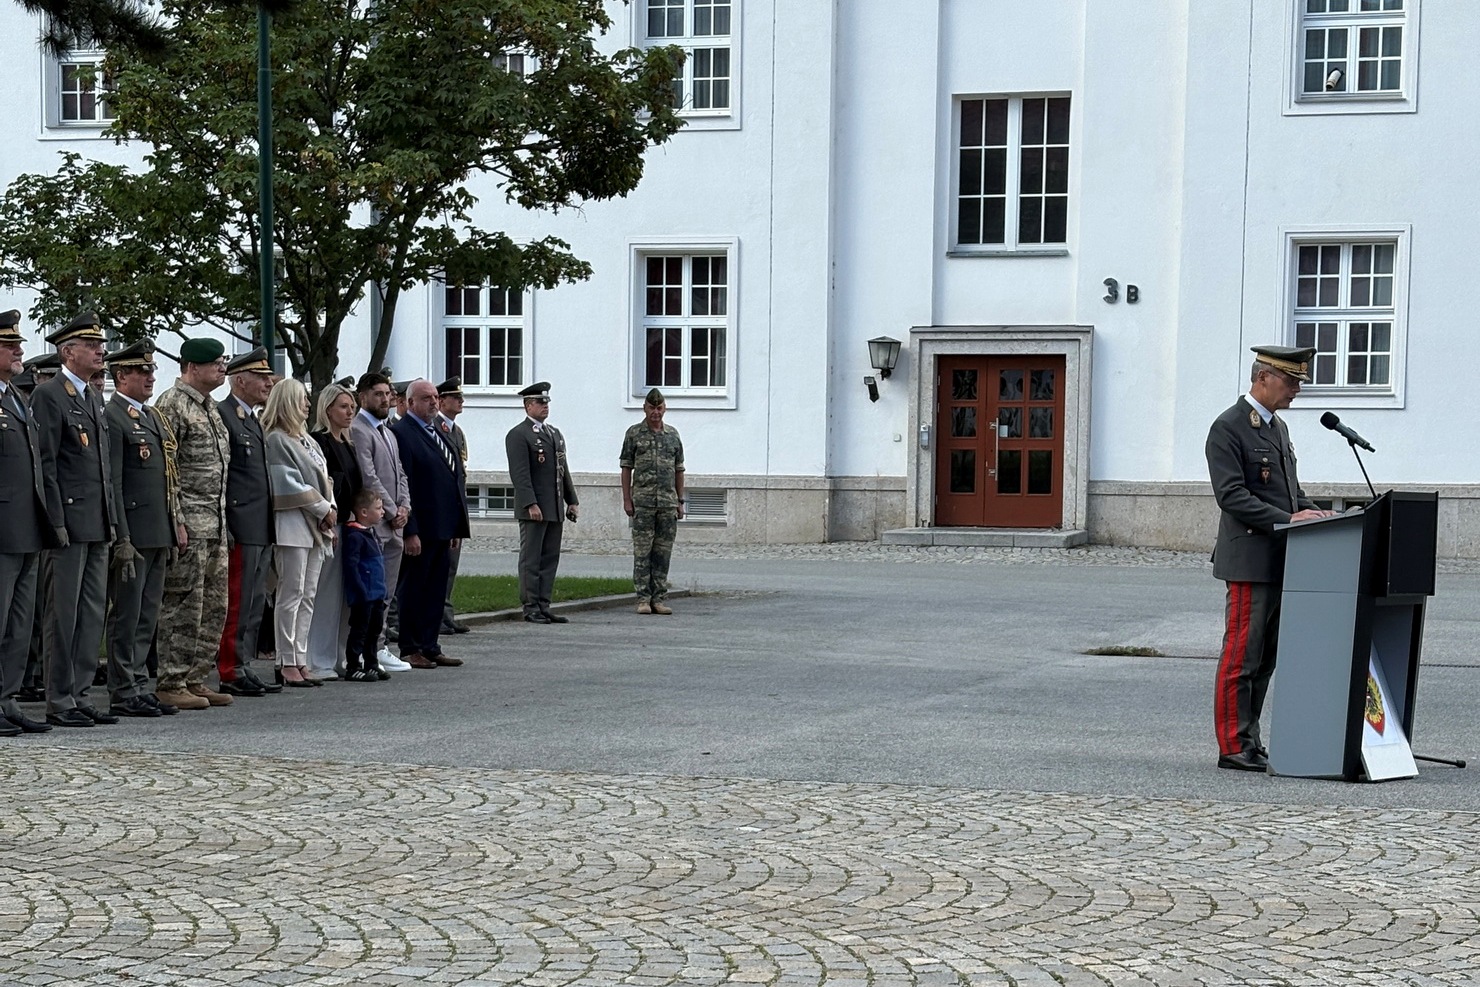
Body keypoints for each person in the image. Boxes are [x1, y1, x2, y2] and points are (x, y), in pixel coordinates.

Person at [1205, 344, 1333, 772]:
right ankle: (1232, 745)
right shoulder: (1229, 427)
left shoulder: (1275, 428)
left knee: (1265, 657)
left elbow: (1288, 492)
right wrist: (1289, 517)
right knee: (1242, 654)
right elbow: (1232, 496)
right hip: (1250, 559)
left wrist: (1316, 512)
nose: (1296, 390)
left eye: (1298, 382)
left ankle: (1251, 738)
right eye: (1291, 381)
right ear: (1263, 378)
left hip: (1282, 558)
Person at [31, 312, 118, 728]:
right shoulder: (50, 394)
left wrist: (112, 520)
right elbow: (45, 464)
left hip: (96, 521)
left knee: (91, 613)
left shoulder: (92, 397)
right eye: (91, 345)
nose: (101, 350)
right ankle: (59, 697)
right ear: (68, 351)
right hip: (68, 521)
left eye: (100, 344)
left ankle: (81, 692)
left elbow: (101, 467)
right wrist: (55, 521)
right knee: (62, 614)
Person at [154, 337, 233, 711]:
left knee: (213, 606)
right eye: (215, 362)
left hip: (215, 523)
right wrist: (176, 521)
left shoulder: (210, 407)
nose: (223, 368)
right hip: (189, 523)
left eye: (223, 361)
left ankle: (195, 678)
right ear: (192, 367)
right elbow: (166, 471)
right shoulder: (173, 405)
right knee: (183, 604)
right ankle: (171, 680)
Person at [102, 340, 180, 718]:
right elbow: (114, 482)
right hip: (133, 530)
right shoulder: (113, 416)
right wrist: (122, 536)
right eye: (142, 371)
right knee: (127, 613)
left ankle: (136, 682)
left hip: (158, 528)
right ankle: (122, 687)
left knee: (147, 612)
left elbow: (166, 477)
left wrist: (174, 522)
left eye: (151, 370)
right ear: (121, 376)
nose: (150, 377)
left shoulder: (149, 416)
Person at [0, 309, 54, 736]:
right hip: (2, 529)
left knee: (19, 623)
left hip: (27, 527)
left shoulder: (15, 397)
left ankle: (8, 698)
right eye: (10, 345)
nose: (20, 350)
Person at [262, 378, 336, 687]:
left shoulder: (308, 439)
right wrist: (322, 508)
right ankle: (286, 659)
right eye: (302, 399)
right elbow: (287, 482)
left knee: (308, 595)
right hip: (292, 524)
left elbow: (325, 478)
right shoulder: (277, 440)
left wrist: (329, 507)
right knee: (290, 594)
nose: (307, 404)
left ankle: (301, 657)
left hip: (316, 526)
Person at [215, 347, 280, 698]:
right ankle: (229, 667)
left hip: (259, 522)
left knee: (254, 602)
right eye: (261, 377)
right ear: (240, 379)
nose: (268, 383)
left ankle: (243, 664)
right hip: (241, 522)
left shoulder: (251, 418)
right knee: (238, 602)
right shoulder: (225, 415)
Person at [391, 379, 469, 667]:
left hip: (443, 526)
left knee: (436, 588)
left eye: (436, 397)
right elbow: (405, 485)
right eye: (426, 398)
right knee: (414, 588)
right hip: (420, 528)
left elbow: (452, 478)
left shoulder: (439, 431)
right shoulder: (402, 433)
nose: (434, 402)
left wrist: (456, 526)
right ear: (410, 403)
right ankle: (410, 646)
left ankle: (430, 644)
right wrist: (410, 531)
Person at [349, 372, 412, 671]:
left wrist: (405, 507)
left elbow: (400, 474)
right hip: (375, 522)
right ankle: (364, 649)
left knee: (386, 591)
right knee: (371, 593)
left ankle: (380, 645)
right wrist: (389, 509)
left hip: (394, 523)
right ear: (363, 396)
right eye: (378, 394)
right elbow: (368, 475)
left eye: (388, 394)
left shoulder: (388, 431)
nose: (385, 399)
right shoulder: (359, 429)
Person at [506, 382, 579, 624]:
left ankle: (544, 604)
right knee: (531, 558)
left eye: (546, 402)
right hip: (535, 507)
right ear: (528, 405)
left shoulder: (554, 433)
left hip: (554, 505)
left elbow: (562, 469)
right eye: (539, 402)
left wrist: (571, 499)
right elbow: (520, 474)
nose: (545, 406)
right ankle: (530, 606)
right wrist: (530, 503)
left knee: (549, 557)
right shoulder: (519, 434)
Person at [308, 382, 363, 679]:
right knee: (325, 594)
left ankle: (340, 655)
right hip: (331, 523)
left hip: (351, 523)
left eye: (352, 407)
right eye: (344, 406)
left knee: (345, 596)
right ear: (328, 409)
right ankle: (319, 658)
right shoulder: (321, 442)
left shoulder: (349, 443)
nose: (350, 412)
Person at [15, 352, 59, 704]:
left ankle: (15, 690)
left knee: (24, 614)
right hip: (13, 524)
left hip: (31, 521)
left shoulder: (18, 403)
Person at [620, 388, 686, 615]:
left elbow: (679, 470)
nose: (655, 413)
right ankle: (642, 599)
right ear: (645, 408)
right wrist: (627, 499)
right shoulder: (634, 434)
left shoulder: (673, 435)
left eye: (659, 408)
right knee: (642, 552)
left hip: (667, 503)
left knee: (663, 552)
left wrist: (680, 501)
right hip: (643, 502)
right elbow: (626, 467)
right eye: (651, 408)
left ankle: (659, 598)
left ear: (664, 408)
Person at [341, 489, 388, 682]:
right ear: (364, 512)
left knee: (374, 630)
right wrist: (360, 590)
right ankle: (353, 666)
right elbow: (351, 566)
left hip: (376, 593)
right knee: (360, 630)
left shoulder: (370, 533)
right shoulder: (355, 536)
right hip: (364, 594)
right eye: (378, 508)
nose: (383, 511)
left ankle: (371, 662)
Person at [436, 376, 471, 635]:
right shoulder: (435, 427)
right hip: (442, 508)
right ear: (442, 401)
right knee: (439, 566)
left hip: (456, 506)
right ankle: (437, 617)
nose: (461, 402)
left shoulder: (457, 432)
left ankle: (446, 615)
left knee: (451, 566)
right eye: (455, 397)